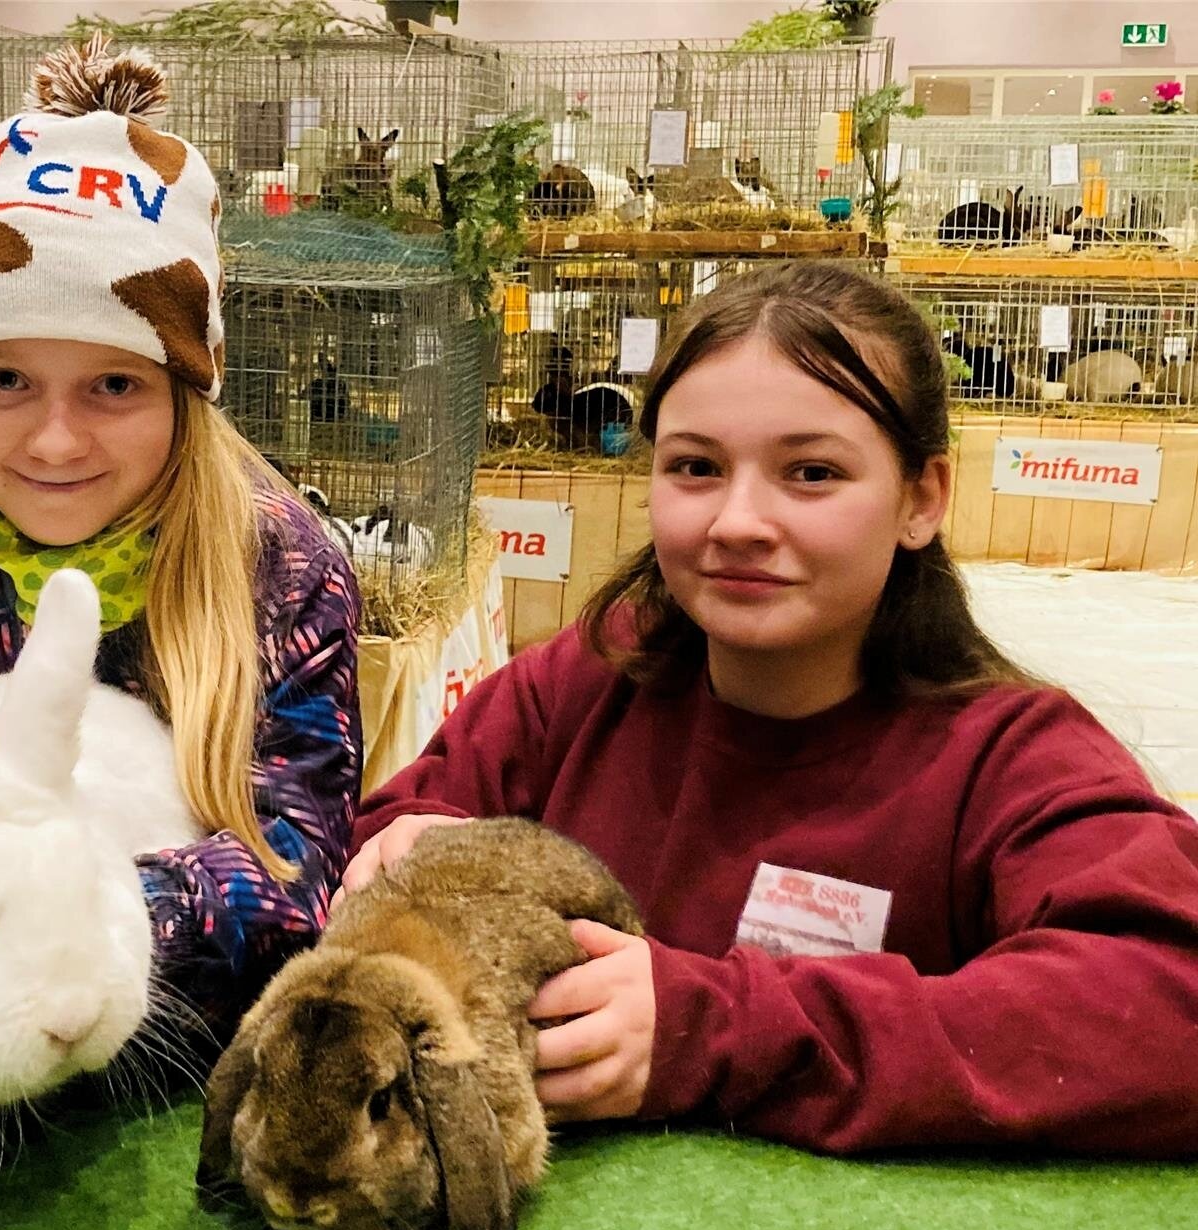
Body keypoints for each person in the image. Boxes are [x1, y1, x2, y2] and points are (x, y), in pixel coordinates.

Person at [349, 261, 1198, 1156]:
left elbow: (1170, 995)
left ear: (922, 498)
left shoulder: (1008, 756)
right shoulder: (591, 679)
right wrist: (405, 847)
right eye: (696, 468)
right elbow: (401, 820)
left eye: (812, 472)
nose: (738, 521)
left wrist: (711, 1032)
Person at [0, 37, 362, 1032]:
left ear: (185, 392)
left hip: (142, 1045)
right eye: (4, 379)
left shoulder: (286, 569)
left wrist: (45, 909)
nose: (55, 441)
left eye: (116, 384)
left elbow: (297, 868)